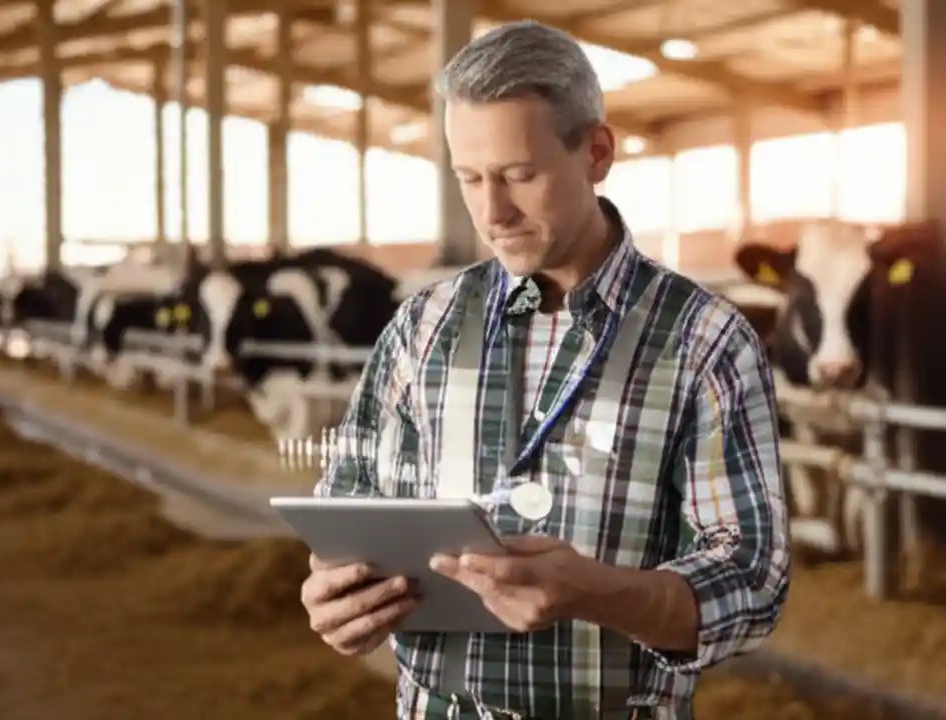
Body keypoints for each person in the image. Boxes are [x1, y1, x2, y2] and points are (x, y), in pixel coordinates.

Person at [300, 19, 790, 720]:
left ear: (596, 152)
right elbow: (347, 507)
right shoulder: (421, 327)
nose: (492, 212)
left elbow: (752, 582)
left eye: (519, 175)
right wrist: (333, 596)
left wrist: (594, 592)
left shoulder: (705, 341)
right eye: (469, 178)